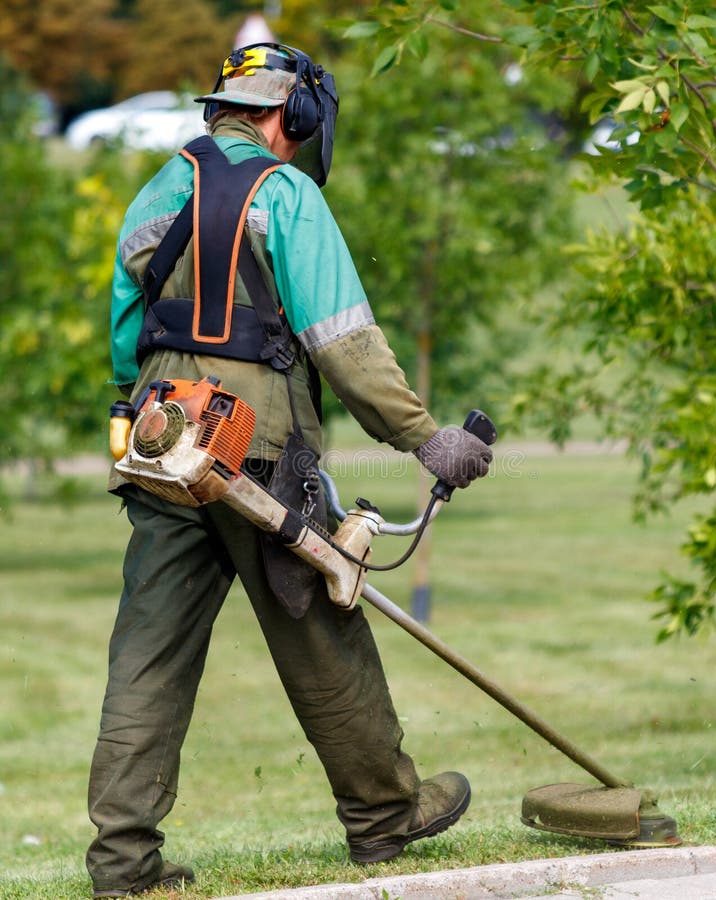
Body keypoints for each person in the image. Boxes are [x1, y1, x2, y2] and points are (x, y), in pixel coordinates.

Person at [87, 41, 493, 898]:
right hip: (254, 448)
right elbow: (341, 340)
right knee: (321, 627)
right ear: (292, 114)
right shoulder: (286, 194)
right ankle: (387, 817)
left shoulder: (159, 189)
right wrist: (425, 438)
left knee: (147, 652)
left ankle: (122, 862)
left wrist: (155, 402)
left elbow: (128, 336)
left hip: (163, 442)